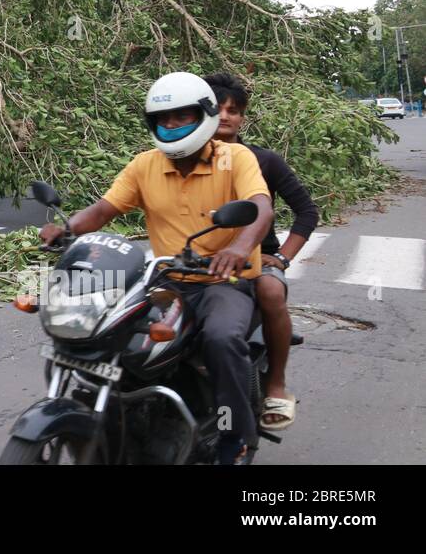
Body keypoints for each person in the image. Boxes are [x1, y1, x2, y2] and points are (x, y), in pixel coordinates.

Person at [40, 71, 275, 465]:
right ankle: (126, 419)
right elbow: (104, 210)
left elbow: (261, 207)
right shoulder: (144, 165)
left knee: (221, 338)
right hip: (166, 281)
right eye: (162, 119)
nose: (169, 125)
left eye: (180, 117)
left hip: (224, 281)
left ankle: (235, 437)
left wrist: (239, 247)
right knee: (111, 335)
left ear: (204, 115)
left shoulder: (237, 158)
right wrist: (66, 229)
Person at [204, 72, 318, 432]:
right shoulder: (184, 158)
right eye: (217, 109)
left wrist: (281, 257)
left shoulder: (263, 161)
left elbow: (307, 212)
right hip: (197, 260)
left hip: (255, 260)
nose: (226, 116)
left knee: (270, 289)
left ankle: (277, 385)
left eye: (234, 110)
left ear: (242, 117)